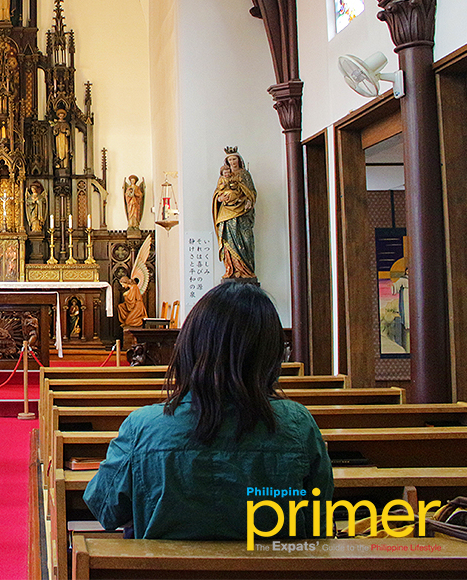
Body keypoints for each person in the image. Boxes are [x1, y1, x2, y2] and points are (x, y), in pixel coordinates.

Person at [84, 282, 333, 540]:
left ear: (189, 345)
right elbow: (317, 523)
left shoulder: (143, 427)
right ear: (271, 354)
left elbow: (105, 509)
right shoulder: (298, 426)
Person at [212, 149, 257, 279]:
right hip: (227, 212)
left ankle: (246, 269)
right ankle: (232, 269)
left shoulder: (244, 175)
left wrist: (249, 201)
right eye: (230, 160)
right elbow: (217, 194)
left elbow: (251, 192)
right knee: (228, 238)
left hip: (241, 210)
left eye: (234, 159)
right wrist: (220, 198)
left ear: (239, 160)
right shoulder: (224, 178)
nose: (232, 162)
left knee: (245, 239)